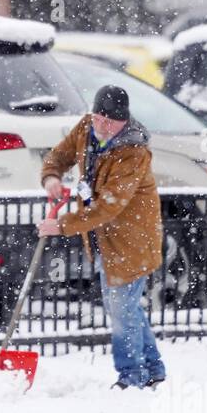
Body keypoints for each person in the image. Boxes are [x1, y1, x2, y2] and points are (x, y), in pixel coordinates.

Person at [39, 84, 166, 390]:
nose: (102, 126)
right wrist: (52, 177)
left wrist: (63, 225)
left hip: (130, 241)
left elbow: (109, 205)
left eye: (111, 122)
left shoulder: (134, 152)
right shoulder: (86, 127)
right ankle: (153, 368)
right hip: (101, 240)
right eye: (98, 118)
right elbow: (59, 155)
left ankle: (131, 376)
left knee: (121, 308)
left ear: (125, 120)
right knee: (124, 307)